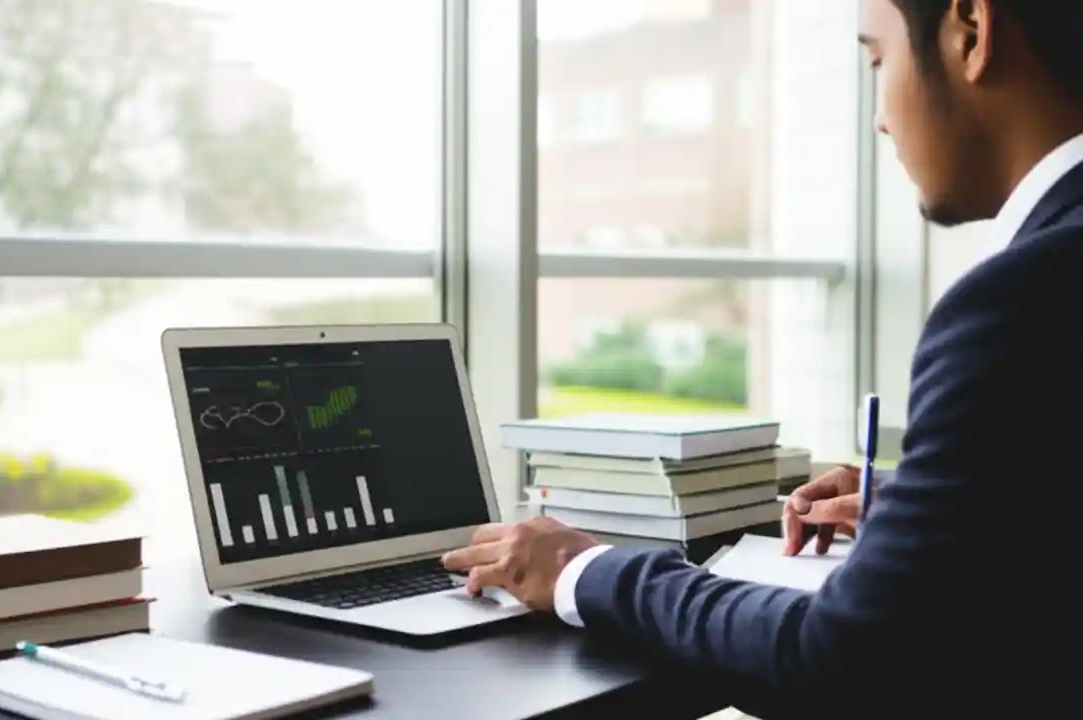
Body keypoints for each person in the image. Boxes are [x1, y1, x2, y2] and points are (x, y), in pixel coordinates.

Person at [443, 0, 1083, 715]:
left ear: (971, 31)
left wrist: (583, 569)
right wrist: (928, 509)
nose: (881, 116)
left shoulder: (1023, 299)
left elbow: (840, 661)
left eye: (878, 60)